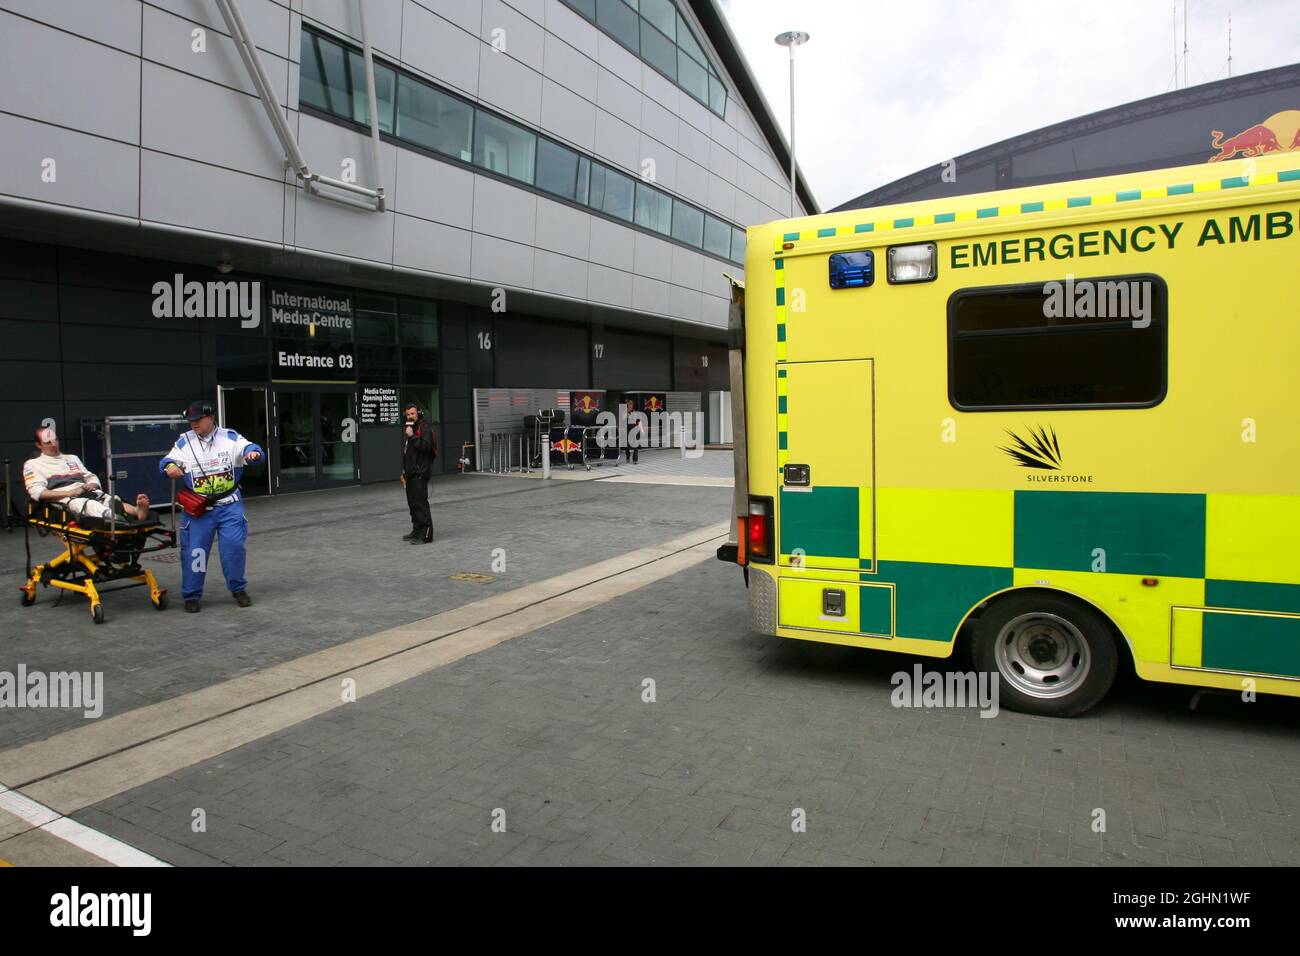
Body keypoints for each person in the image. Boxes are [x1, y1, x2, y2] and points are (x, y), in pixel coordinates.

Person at [160, 401, 263, 612]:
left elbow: (251, 449)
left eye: (198, 420)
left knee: (233, 549)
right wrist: (170, 467)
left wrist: (254, 455)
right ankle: (191, 595)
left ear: (211, 418)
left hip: (229, 506)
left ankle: (238, 589)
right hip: (199, 510)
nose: (194, 424)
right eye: (191, 421)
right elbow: (166, 461)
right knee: (195, 552)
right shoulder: (183, 443)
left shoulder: (230, 437)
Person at [23, 425, 152, 521]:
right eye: (48, 442)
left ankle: (136, 511)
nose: (54, 444)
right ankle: (115, 518)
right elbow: (37, 492)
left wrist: (93, 484)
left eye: (55, 439)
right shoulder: (33, 464)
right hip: (65, 498)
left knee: (110, 499)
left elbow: (90, 476)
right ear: (39, 445)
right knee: (88, 505)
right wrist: (69, 493)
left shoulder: (72, 458)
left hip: (86, 491)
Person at [401, 402, 436, 544]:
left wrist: (413, 437)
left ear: (418, 414)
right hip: (410, 473)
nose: (410, 416)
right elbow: (407, 453)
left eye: (412, 414)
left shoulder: (424, 428)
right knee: (413, 504)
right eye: (408, 414)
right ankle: (416, 530)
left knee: (421, 504)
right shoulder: (410, 429)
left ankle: (426, 535)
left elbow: (427, 447)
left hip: (420, 472)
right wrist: (403, 472)